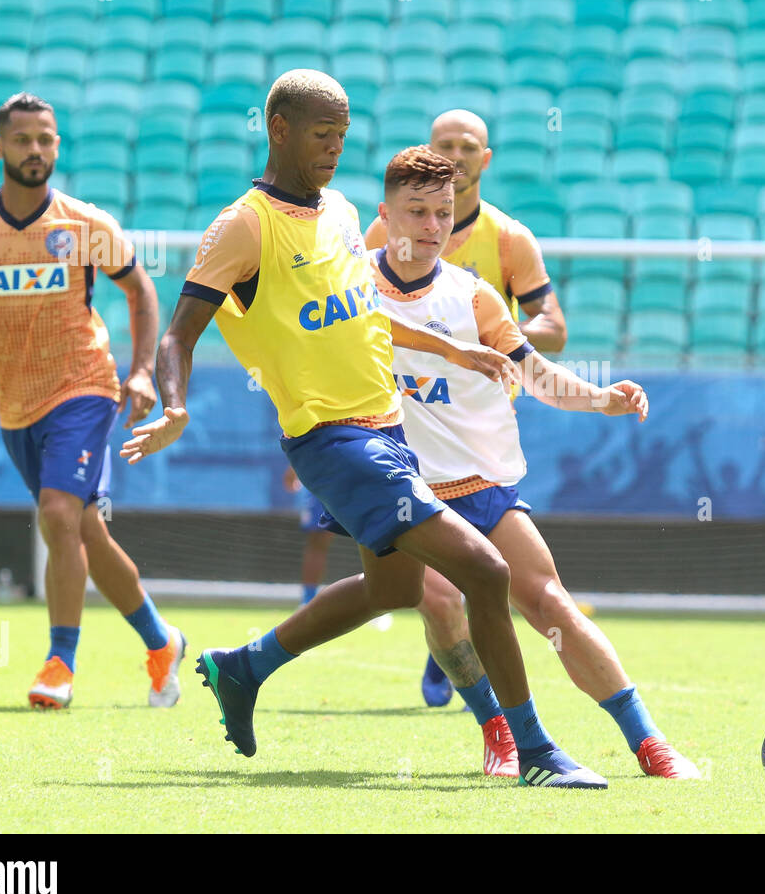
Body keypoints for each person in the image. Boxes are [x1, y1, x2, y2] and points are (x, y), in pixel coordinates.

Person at [121, 70, 606, 788]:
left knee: (391, 590)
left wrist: (453, 348)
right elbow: (179, 333)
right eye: (322, 135)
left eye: (343, 136)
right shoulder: (245, 225)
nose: (334, 149)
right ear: (278, 129)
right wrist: (174, 403)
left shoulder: (343, 212)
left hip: (387, 426)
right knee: (487, 571)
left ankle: (242, 668)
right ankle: (534, 750)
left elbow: (366, 313)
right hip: (333, 438)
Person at [312, 144, 699, 779]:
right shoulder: (347, 291)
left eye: (444, 212)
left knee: (547, 599)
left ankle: (649, 742)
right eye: (418, 212)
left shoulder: (475, 297)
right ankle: (499, 729)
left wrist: (600, 399)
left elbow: (536, 373)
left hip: (475, 480)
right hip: (397, 482)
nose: (433, 226)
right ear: (385, 215)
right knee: (438, 601)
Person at [0, 92, 185, 709]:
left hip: (85, 387)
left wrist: (143, 371)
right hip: (16, 405)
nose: (35, 151)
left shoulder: (83, 225)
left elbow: (142, 292)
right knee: (86, 532)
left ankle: (59, 666)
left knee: (59, 513)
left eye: (46, 140)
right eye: (23, 140)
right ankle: (160, 641)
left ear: (57, 146)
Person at [365, 108, 569, 705]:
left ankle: (459, 649)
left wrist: (492, 331)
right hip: (406, 410)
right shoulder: (387, 234)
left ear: (486, 158)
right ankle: (450, 640)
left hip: (480, 410)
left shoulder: (508, 238)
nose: (457, 154)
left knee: (501, 561)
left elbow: (553, 324)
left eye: (469, 146)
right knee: (433, 571)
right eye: (445, 145)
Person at [282, 465, 333, 604]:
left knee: (371, 536)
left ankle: (378, 596)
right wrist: (293, 467)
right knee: (317, 540)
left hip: (354, 475)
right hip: (322, 482)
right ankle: (308, 601)